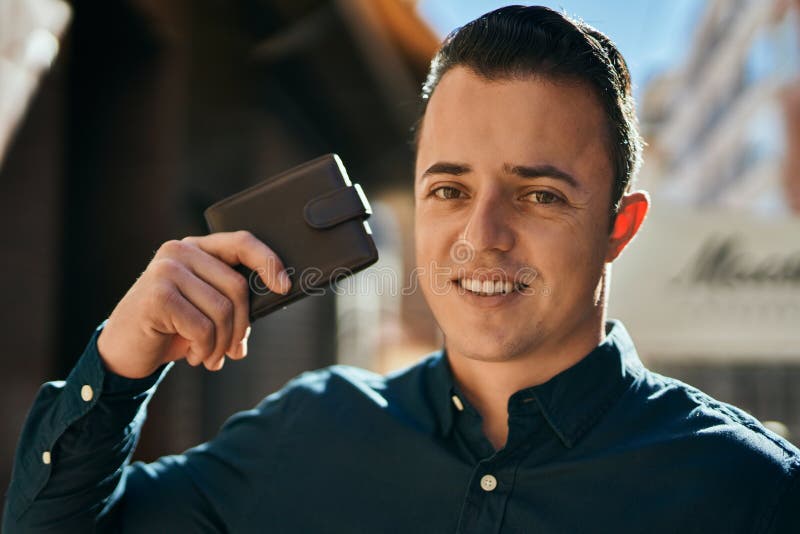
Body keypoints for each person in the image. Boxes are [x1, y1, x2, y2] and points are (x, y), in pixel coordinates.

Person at [4, 5, 799, 533]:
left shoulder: (749, 490)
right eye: (449, 189)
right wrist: (119, 364)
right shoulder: (306, 434)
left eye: (539, 195)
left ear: (618, 229)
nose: (481, 236)